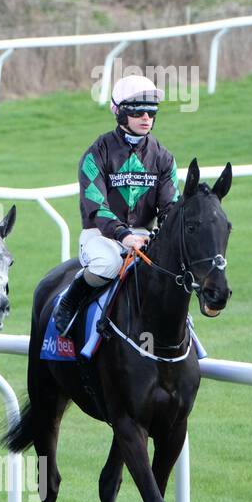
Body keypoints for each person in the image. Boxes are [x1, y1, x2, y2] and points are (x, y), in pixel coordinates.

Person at [54, 74, 179, 337]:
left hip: (145, 236)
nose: (147, 118)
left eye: (151, 111)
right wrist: (124, 235)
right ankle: (70, 301)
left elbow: (169, 208)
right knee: (108, 265)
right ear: (120, 113)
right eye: (138, 111)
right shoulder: (96, 153)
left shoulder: (164, 157)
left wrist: (168, 232)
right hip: (101, 236)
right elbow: (96, 206)